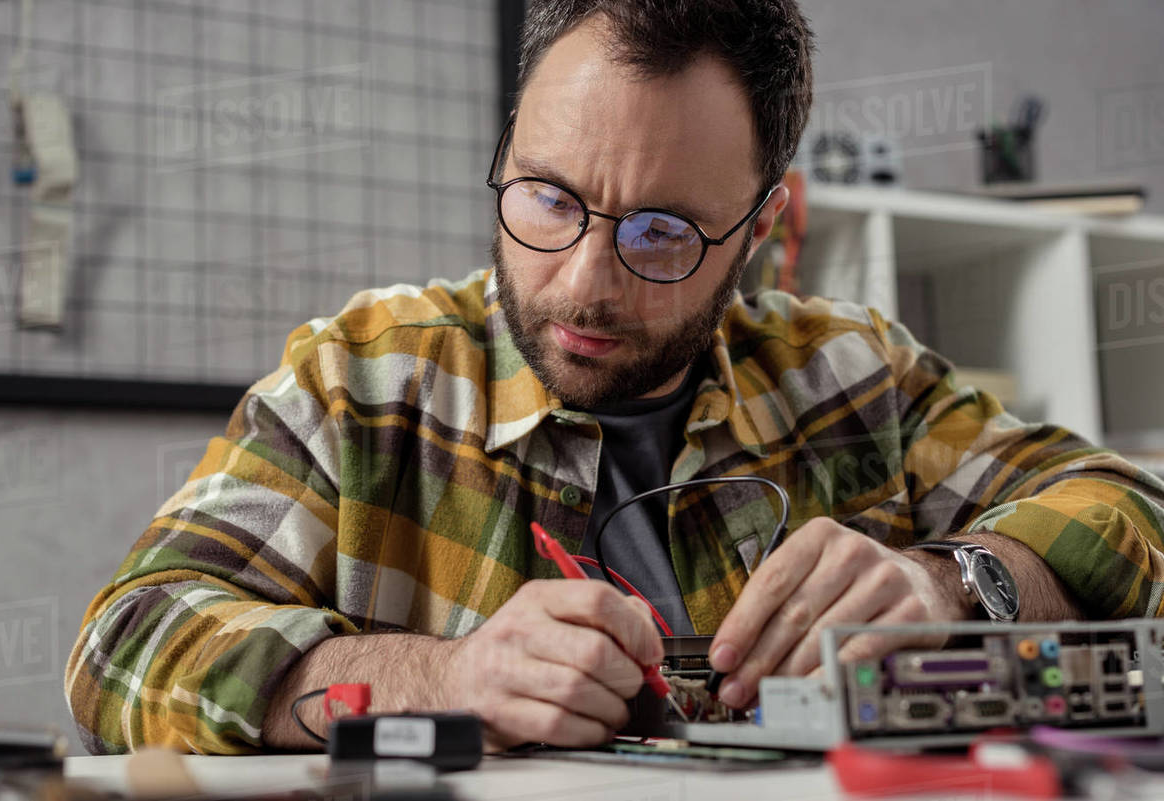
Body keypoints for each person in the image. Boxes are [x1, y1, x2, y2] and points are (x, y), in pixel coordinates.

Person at [66, 0, 1164, 755]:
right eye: (547, 196)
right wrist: (436, 681)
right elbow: (124, 648)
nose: (584, 282)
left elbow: (1131, 508)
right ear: (509, 147)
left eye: (662, 231)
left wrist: (952, 582)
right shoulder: (362, 382)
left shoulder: (850, 378)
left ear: (761, 229)